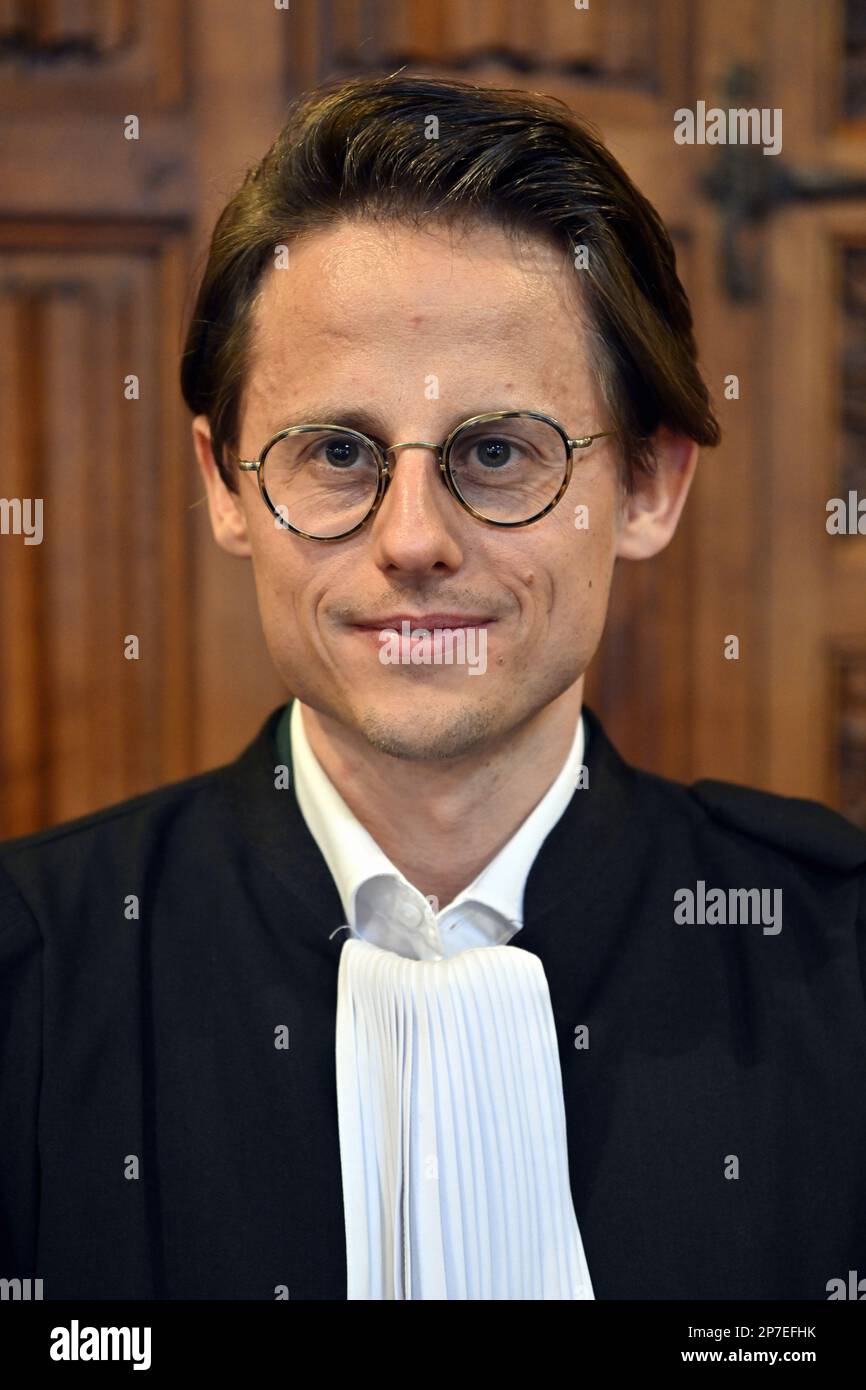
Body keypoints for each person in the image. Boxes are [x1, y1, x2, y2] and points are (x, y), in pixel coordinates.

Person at [1, 73, 864, 1302]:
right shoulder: (27, 978)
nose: (413, 539)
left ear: (648, 484)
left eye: (498, 451)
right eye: (338, 453)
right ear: (225, 483)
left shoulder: (838, 959)